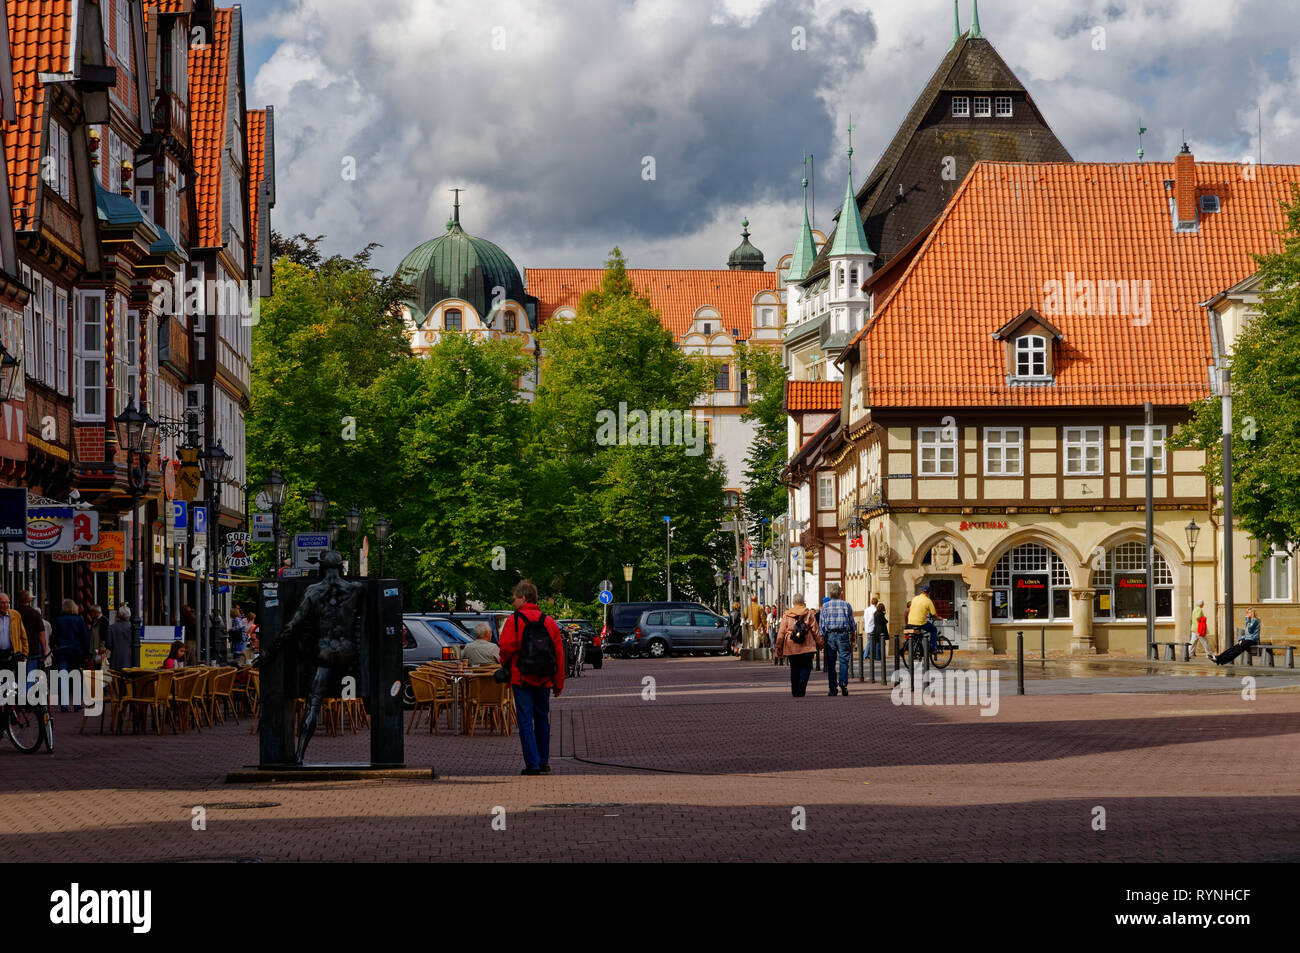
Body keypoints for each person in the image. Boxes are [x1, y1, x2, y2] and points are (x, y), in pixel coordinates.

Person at [498, 579, 565, 776]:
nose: (513, 603)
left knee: (525, 721)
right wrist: (558, 682)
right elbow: (559, 655)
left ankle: (532, 764)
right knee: (542, 719)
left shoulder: (514, 620)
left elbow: (505, 648)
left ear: (523, 598)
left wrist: (505, 664)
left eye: (515, 599)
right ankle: (544, 761)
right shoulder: (549, 621)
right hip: (544, 679)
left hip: (521, 678)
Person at [774, 593, 822, 697]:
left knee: (794, 668)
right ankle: (802, 683)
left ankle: (795, 690)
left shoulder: (787, 614)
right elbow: (815, 630)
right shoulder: (809, 613)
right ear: (803, 602)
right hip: (807, 644)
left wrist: (778, 645)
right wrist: (820, 643)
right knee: (806, 667)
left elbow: (781, 631)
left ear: (793, 602)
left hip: (791, 645)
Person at [50, 598, 91, 710]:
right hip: (76, 652)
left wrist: (53, 647)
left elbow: (53, 638)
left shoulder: (59, 620)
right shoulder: (79, 620)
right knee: (77, 677)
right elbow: (85, 638)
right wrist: (87, 653)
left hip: (62, 652)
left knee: (62, 677)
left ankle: (64, 704)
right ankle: (77, 704)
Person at [819, 584, 856, 696]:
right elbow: (851, 622)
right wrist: (852, 633)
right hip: (843, 634)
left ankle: (832, 688)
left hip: (830, 636)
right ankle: (843, 683)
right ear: (840, 593)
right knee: (844, 660)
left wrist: (822, 636)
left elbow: (822, 624)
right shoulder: (846, 605)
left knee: (831, 663)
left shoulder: (825, 606)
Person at [16, 591, 47, 674]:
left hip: (18, 649)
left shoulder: (14, 613)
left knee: (19, 676)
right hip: (33, 649)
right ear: (29, 600)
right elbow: (42, 634)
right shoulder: (35, 613)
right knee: (31, 676)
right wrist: (44, 650)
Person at [907, 585, 939, 654]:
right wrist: (938, 617)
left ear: (922, 591)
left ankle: (915, 650)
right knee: (934, 630)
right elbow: (933, 613)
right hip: (920, 622)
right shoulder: (928, 601)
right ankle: (932, 648)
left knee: (918, 636)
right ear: (929, 593)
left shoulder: (915, 598)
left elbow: (910, 609)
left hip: (910, 621)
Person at [106, 606, 134, 671]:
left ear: (118, 615)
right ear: (129, 615)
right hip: (129, 661)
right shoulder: (133, 628)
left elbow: (108, 644)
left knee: (116, 680)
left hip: (115, 661)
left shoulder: (111, 627)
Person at [87, 604, 110, 668]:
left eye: (91, 612)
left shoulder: (104, 621)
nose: (90, 614)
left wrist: (101, 650)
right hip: (96, 652)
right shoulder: (95, 621)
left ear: (95, 612)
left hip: (101, 652)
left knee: (100, 669)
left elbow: (104, 637)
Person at [863, 595, 878, 661]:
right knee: (870, 642)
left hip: (867, 627)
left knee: (870, 641)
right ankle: (865, 655)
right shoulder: (875, 610)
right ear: (876, 603)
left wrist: (864, 625)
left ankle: (869, 655)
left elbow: (864, 618)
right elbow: (873, 618)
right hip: (872, 627)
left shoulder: (867, 609)